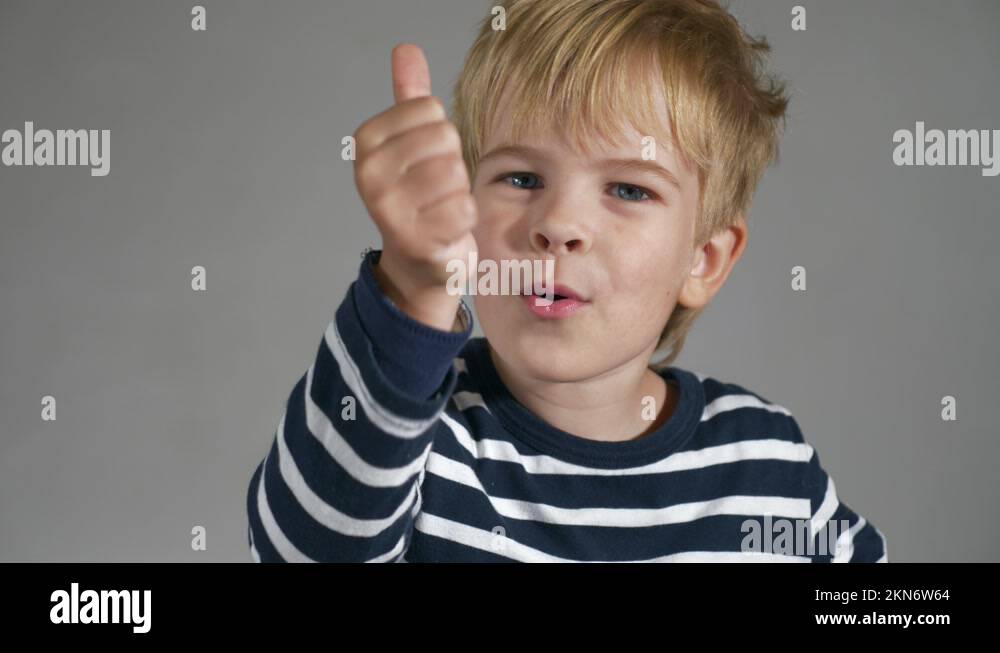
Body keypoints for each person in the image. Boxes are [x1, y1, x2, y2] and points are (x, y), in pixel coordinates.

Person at [246, 0, 887, 562]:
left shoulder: (766, 466)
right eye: (521, 178)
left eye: (629, 189)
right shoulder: (417, 443)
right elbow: (306, 549)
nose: (559, 224)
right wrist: (415, 287)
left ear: (704, 259)